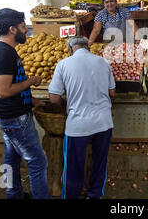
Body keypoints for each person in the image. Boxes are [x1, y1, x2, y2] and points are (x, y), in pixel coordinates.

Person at [0, 8, 51, 199]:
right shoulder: (4, 54)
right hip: (14, 118)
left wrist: (31, 100)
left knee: (12, 158)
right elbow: (3, 91)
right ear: (13, 29)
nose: (26, 31)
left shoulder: (6, 51)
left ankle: (14, 194)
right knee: (38, 161)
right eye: (23, 27)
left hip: (12, 115)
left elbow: (11, 87)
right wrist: (30, 82)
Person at [48, 36, 115, 199]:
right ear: (88, 47)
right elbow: (112, 93)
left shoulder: (63, 64)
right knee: (100, 163)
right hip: (103, 123)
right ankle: (94, 195)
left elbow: (53, 98)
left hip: (78, 125)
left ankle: (72, 196)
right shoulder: (103, 63)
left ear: (71, 49)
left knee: (73, 167)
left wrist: (67, 100)